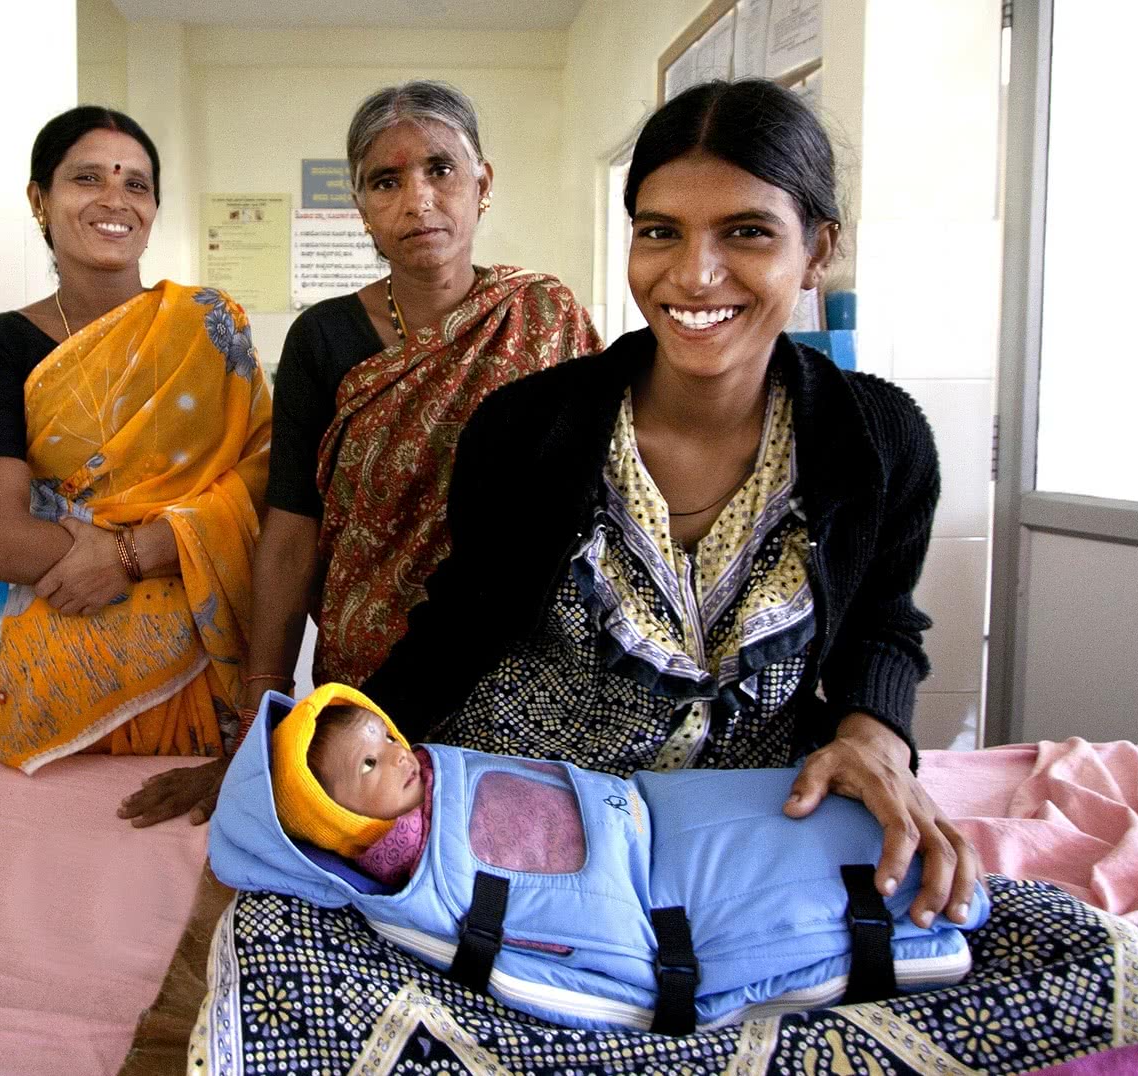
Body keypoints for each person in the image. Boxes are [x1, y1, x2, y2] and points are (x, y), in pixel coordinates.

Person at [358, 79, 981, 932]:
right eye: (660, 232)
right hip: (521, 819)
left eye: (747, 232)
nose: (693, 274)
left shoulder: (878, 439)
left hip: (748, 826)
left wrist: (874, 734)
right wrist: (334, 744)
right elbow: (458, 625)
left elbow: (882, 621)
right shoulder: (525, 428)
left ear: (818, 248)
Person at [121, 80, 600, 826]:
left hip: (523, 678)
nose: (418, 201)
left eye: (440, 169)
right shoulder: (323, 338)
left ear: (483, 184)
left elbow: (597, 510)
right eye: (386, 181)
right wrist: (260, 724)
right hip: (367, 699)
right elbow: (292, 530)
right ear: (361, 207)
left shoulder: (542, 318)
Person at [210, 682, 989, 1032]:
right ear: (338, 819)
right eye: (368, 767)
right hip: (642, 900)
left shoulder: (437, 772)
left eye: (384, 734)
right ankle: (887, 925)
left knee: (802, 821)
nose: (396, 754)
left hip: (645, 811)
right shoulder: (398, 858)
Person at [0, 106, 271, 772]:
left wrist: (130, 554)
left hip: (206, 663)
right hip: (65, 659)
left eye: (136, 184)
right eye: (87, 177)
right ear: (40, 199)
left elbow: (267, 488)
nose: (115, 199)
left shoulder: (210, 329)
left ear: (153, 209)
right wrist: (147, 553)